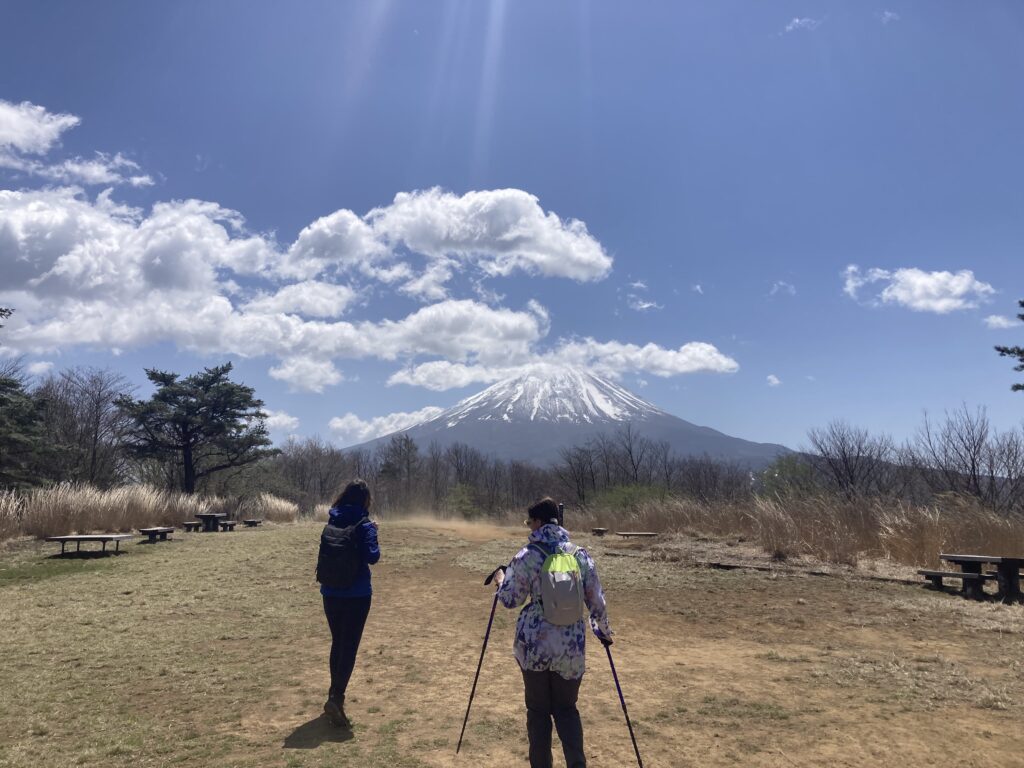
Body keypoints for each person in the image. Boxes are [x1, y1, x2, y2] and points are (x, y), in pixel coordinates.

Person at [492, 497, 612, 768]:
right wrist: (603, 632)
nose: (529, 528)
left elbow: (511, 599)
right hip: (570, 650)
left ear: (538, 522)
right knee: (567, 710)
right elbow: (597, 601)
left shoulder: (528, 555)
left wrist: (501, 580)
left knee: (538, 713)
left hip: (534, 649)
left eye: (529, 523)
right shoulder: (579, 554)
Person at [318, 479, 379, 727]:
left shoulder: (332, 520)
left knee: (338, 643)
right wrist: (374, 532)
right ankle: (337, 697)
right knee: (349, 646)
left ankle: (334, 694)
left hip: (330, 591)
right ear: (365, 500)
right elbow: (373, 557)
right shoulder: (364, 525)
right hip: (357, 594)